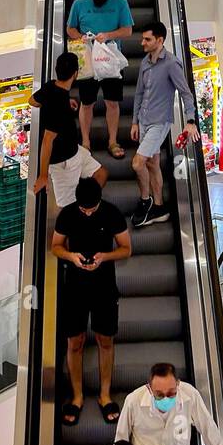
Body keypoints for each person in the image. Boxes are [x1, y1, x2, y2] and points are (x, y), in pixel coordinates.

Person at [51, 177, 131, 427]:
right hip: (73, 286)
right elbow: (55, 246)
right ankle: (77, 396)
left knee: (105, 339)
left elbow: (126, 248)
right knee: (74, 341)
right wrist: (71, 256)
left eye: (91, 209)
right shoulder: (67, 215)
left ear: (99, 201)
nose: (87, 212)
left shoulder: (112, 213)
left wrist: (104, 257)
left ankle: (105, 394)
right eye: (83, 209)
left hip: (104, 285)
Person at [131, 20, 199, 229]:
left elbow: (186, 94)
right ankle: (159, 206)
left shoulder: (171, 63)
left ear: (160, 41)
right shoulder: (145, 62)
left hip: (160, 123)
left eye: (147, 39)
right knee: (152, 163)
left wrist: (190, 121)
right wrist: (135, 122)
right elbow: (139, 94)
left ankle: (146, 201)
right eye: (143, 38)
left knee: (137, 163)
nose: (142, 42)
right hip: (144, 121)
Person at [67, 0, 134, 160]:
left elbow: (128, 30)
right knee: (87, 103)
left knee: (112, 102)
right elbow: (70, 28)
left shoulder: (120, 2)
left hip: (111, 60)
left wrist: (108, 35)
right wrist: (80, 37)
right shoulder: (79, 3)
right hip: (87, 60)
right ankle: (86, 142)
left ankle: (112, 141)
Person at [31, 51, 108, 208]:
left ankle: (88, 203)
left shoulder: (51, 86)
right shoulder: (59, 106)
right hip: (63, 162)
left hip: (74, 150)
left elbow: (32, 101)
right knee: (68, 207)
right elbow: (47, 141)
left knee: (101, 174)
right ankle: (83, 212)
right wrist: (43, 176)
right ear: (75, 73)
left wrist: (64, 102)